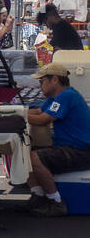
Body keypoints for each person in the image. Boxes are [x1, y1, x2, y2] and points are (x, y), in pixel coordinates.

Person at [25, 63, 90, 217]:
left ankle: (56, 202)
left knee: (34, 157)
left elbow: (42, 120)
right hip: (71, 148)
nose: (40, 85)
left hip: (81, 152)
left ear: (54, 80)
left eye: (42, 81)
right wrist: (13, 110)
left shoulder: (67, 96)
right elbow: (38, 110)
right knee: (25, 154)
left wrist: (16, 116)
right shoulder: (56, 98)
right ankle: (38, 196)